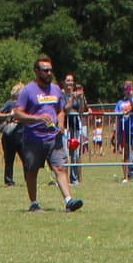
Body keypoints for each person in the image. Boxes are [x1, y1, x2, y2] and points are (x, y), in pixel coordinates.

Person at [14, 57, 79, 211]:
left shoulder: (56, 89)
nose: (49, 73)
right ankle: (34, 203)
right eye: (45, 70)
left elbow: (60, 109)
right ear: (37, 71)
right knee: (32, 170)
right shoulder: (28, 91)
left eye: (50, 70)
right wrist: (37, 118)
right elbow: (18, 113)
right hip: (33, 138)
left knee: (60, 167)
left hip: (54, 137)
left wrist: (61, 124)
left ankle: (69, 201)